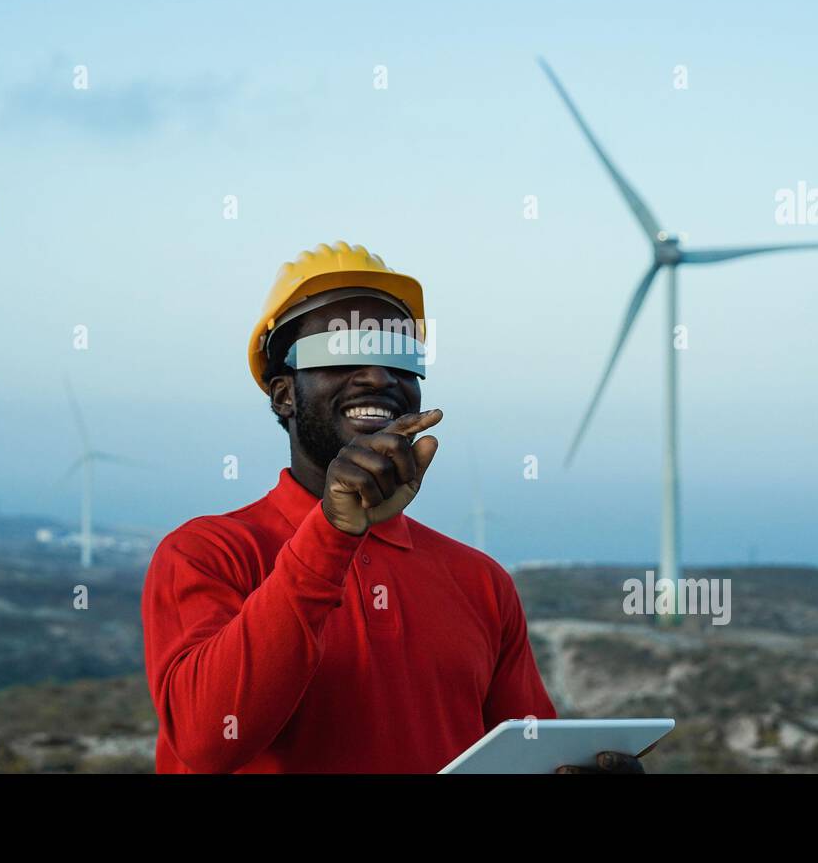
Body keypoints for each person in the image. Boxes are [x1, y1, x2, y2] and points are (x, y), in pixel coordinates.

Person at [141, 241, 644, 773]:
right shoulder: (206, 553)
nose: (379, 376)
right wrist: (331, 535)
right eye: (341, 352)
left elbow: (529, 760)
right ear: (284, 394)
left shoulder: (481, 582)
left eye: (401, 356)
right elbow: (206, 740)